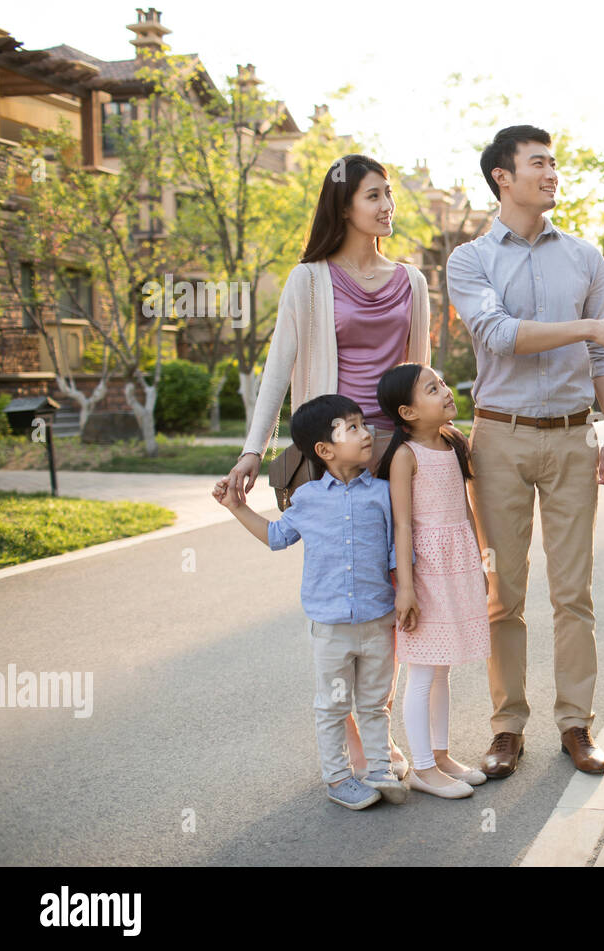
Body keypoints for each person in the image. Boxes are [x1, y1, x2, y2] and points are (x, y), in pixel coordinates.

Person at [445, 125, 604, 779]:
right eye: (539, 163)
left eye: (555, 162)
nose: (552, 172)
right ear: (503, 176)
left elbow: (603, 355)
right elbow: (500, 335)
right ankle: (506, 727)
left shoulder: (586, 257)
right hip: (498, 437)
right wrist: (592, 325)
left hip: (571, 435)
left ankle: (576, 724)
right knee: (502, 593)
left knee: (573, 593)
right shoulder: (469, 261)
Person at [218, 153, 430, 778]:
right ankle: (355, 747)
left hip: (393, 452)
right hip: (329, 455)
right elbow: (278, 367)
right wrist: (255, 448)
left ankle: (383, 724)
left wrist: (435, 445)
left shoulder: (411, 281)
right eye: (374, 195)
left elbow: (418, 373)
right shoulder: (308, 280)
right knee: (344, 595)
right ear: (344, 207)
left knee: (394, 590)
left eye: (389, 194)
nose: (387, 204)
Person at [213, 394, 411, 810]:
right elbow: (275, 537)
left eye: (363, 425)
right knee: (333, 705)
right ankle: (338, 778)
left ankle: (378, 769)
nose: (366, 433)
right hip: (330, 628)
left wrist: (407, 598)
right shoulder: (306, 500)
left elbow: (397, 554)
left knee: (375, 703)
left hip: (379, 621)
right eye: (353, 427)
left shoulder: (381, 494)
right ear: (324, 449)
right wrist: (236, 506)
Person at [375, 363, 491, 799]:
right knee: (422, 669)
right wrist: (405, 587)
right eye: (432, 388)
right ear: (407, 411)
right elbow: (402, 526)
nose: (444, 391)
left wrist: (479, 563)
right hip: (424, 572)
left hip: (457, 565)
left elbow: (464, 509)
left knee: (443, 667)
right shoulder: (406, 456)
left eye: (441, 383)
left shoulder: (453, 443)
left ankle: (440, 756)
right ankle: (421, 768)